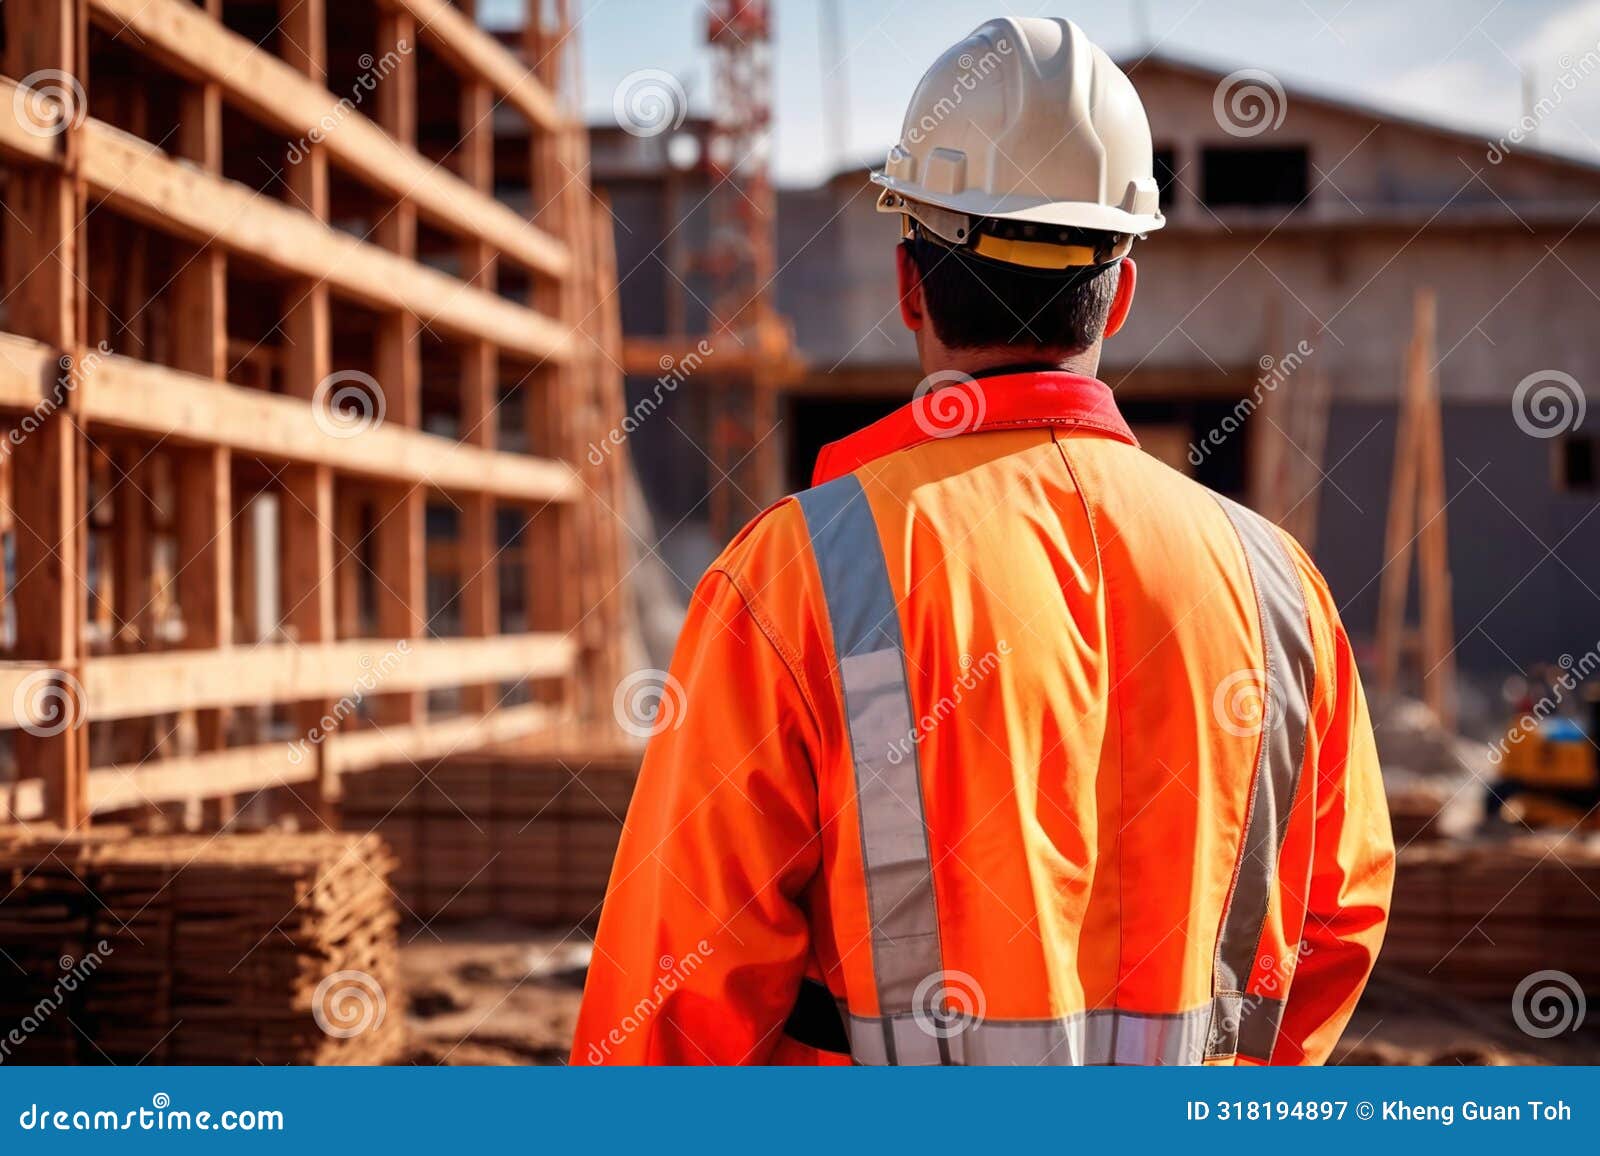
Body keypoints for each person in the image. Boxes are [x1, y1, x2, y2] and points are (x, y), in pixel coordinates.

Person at [572, 15, 1393, 1067]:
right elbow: (1338, 917)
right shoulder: (1280, 590)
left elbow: (674, 1001)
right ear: (1122, 290)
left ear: (909, 284)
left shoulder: (800, 576)